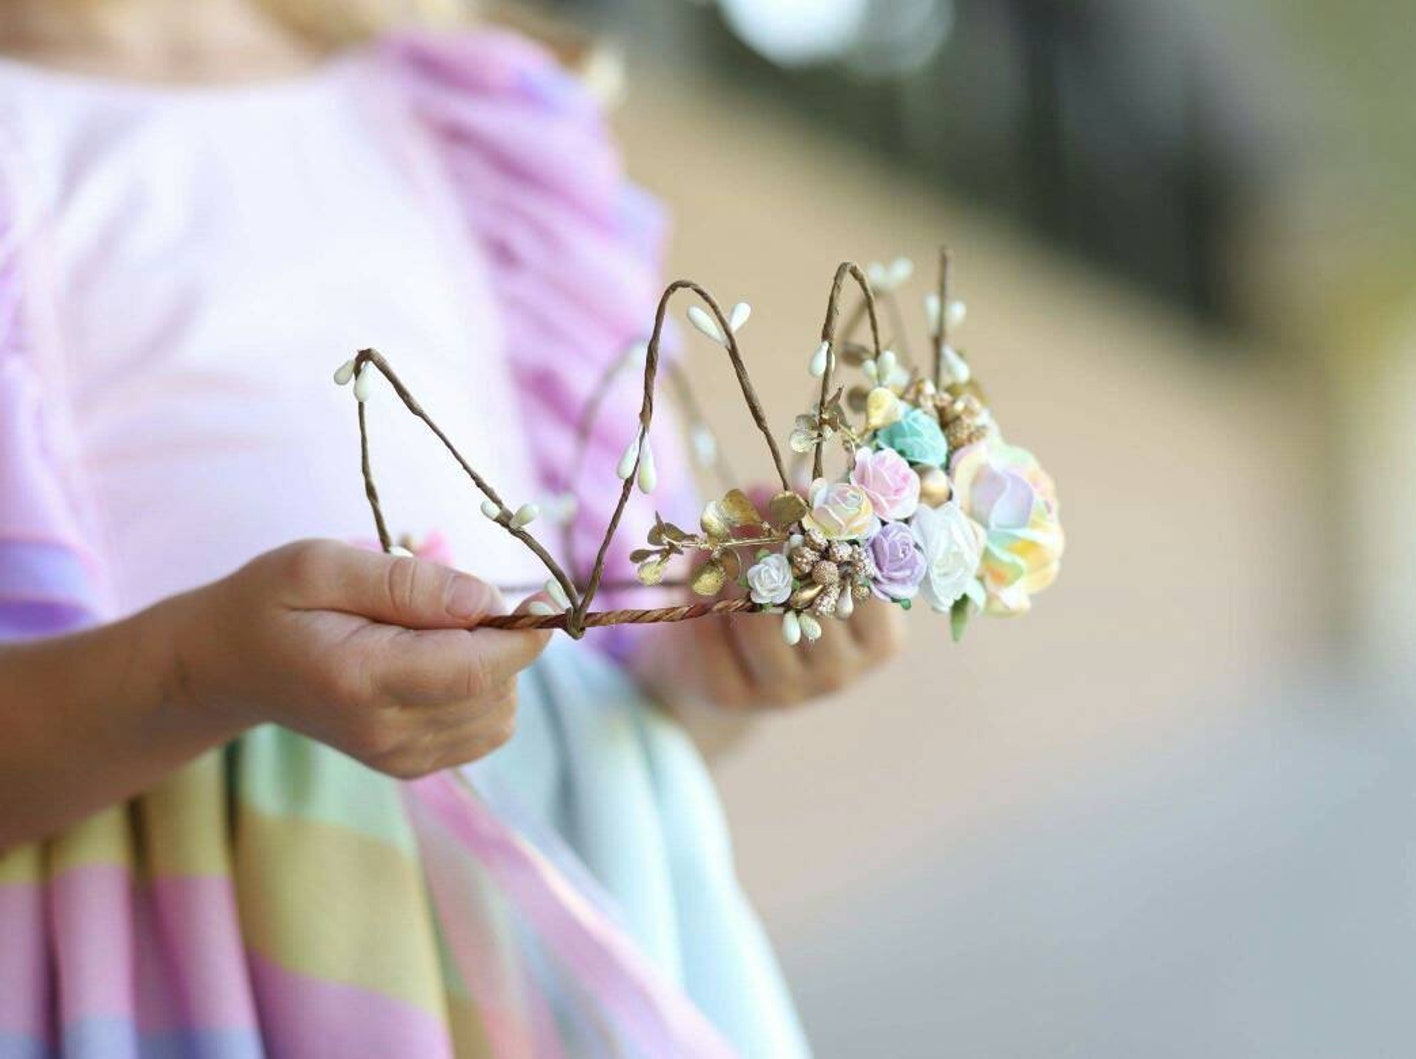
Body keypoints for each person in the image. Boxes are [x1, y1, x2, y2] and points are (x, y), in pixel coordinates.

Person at [0, 1, 905, 1054]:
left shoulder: (478, 112)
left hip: (562, 945)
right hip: (181, 971)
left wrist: (709, 666)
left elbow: (617, 699)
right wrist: (196, 675)